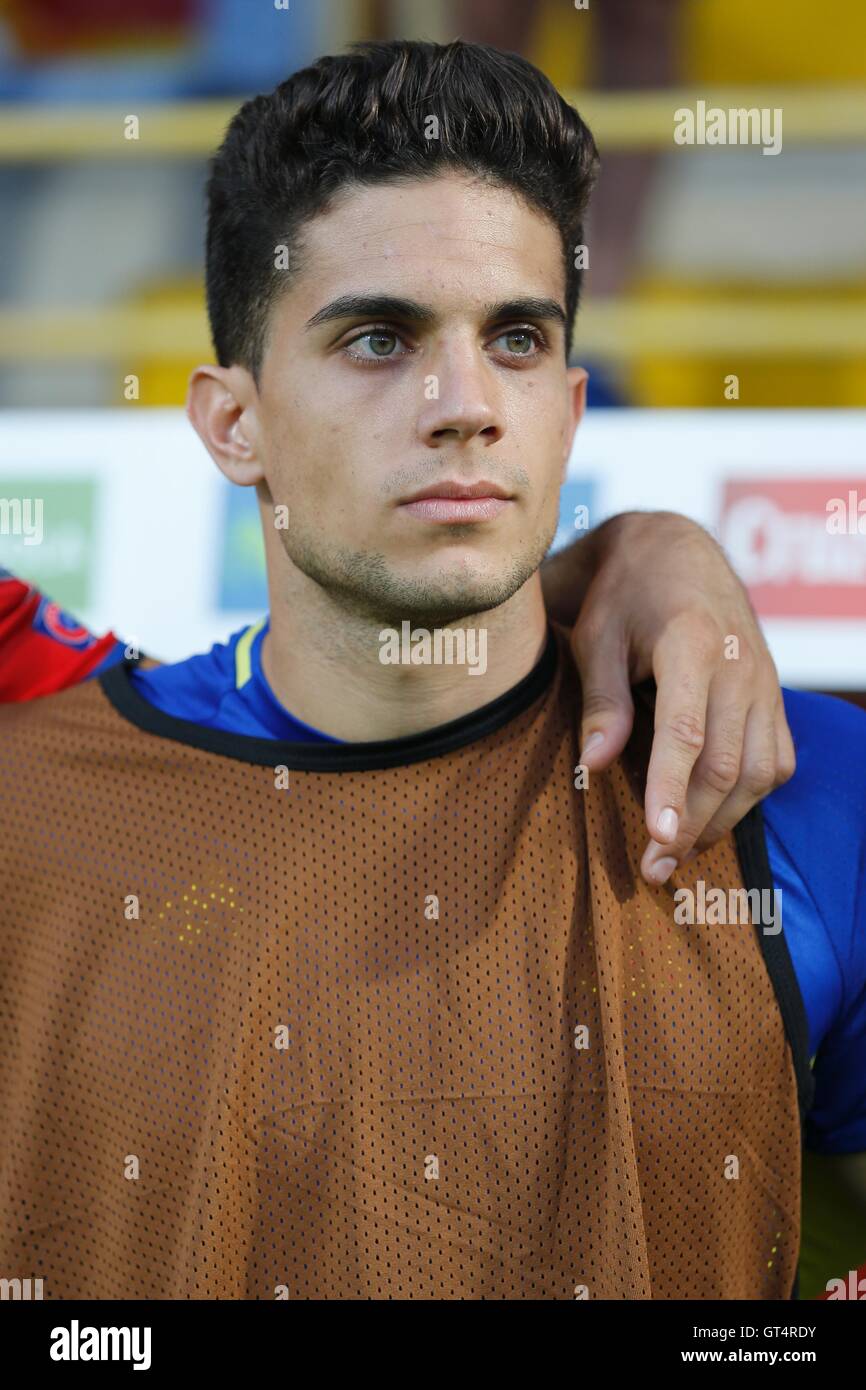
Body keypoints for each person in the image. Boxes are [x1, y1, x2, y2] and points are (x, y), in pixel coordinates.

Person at [0, 40, 863, 1300]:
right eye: (375, 340)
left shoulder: (788, 782)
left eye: (514, 339)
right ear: (231, 422)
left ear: (570, 406)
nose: (464, 402)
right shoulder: (40, 796)